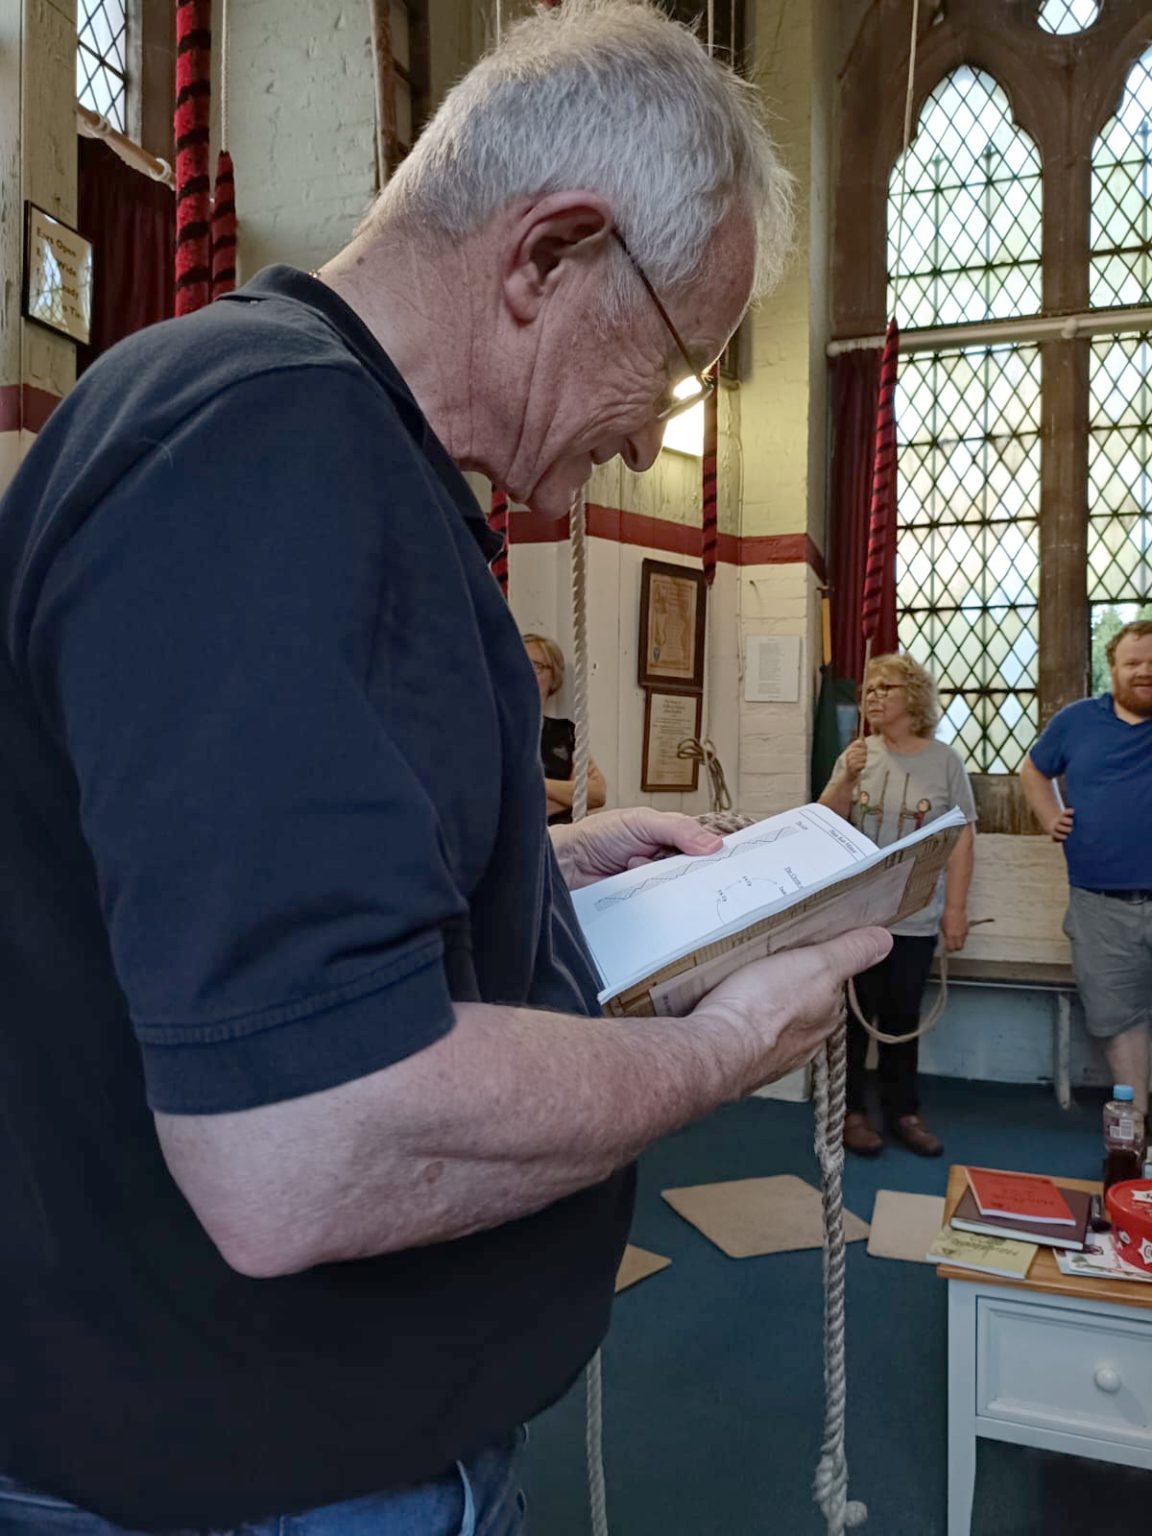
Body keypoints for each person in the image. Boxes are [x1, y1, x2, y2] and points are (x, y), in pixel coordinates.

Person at [0, 3, 891, 1531]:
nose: (642, 437)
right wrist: (721, 1052)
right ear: (551, 257)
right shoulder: (268, 455)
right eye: (676, 367)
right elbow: (302, 1142)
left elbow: (185, 894)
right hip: (251, 1471)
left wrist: (533, 864)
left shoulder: (281, 424)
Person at [820, 653, 976, 1157]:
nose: (872, 695)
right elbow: (823, 824)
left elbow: (962, 837)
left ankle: (903, 1111)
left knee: (901, 1017)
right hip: (859, 914)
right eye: (869, 687)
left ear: (914, 696)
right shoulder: (857, 753)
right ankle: (850, 1113)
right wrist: (845, 777)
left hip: (916, 914)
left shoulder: (944, 760)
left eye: (885, 687)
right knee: (853, 1019)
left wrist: (955, 907)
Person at [1020, 619, 1152, 1115]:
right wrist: (1050, 815)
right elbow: (1034, 768)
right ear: (1112, 668)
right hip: (1100, 905)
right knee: (1120, 1021)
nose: (1144, 672)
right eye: (1133, 662)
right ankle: (1137, 1135)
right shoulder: (1077, 721)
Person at [523, 632, 607, 823]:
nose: (524, 672)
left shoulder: (565, 733)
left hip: (565, 843)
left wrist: (535, 784)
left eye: (536, 666)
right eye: (518, 663)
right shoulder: (495, 732)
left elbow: (597, 793)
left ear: (554, 676)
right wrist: (568, 792)